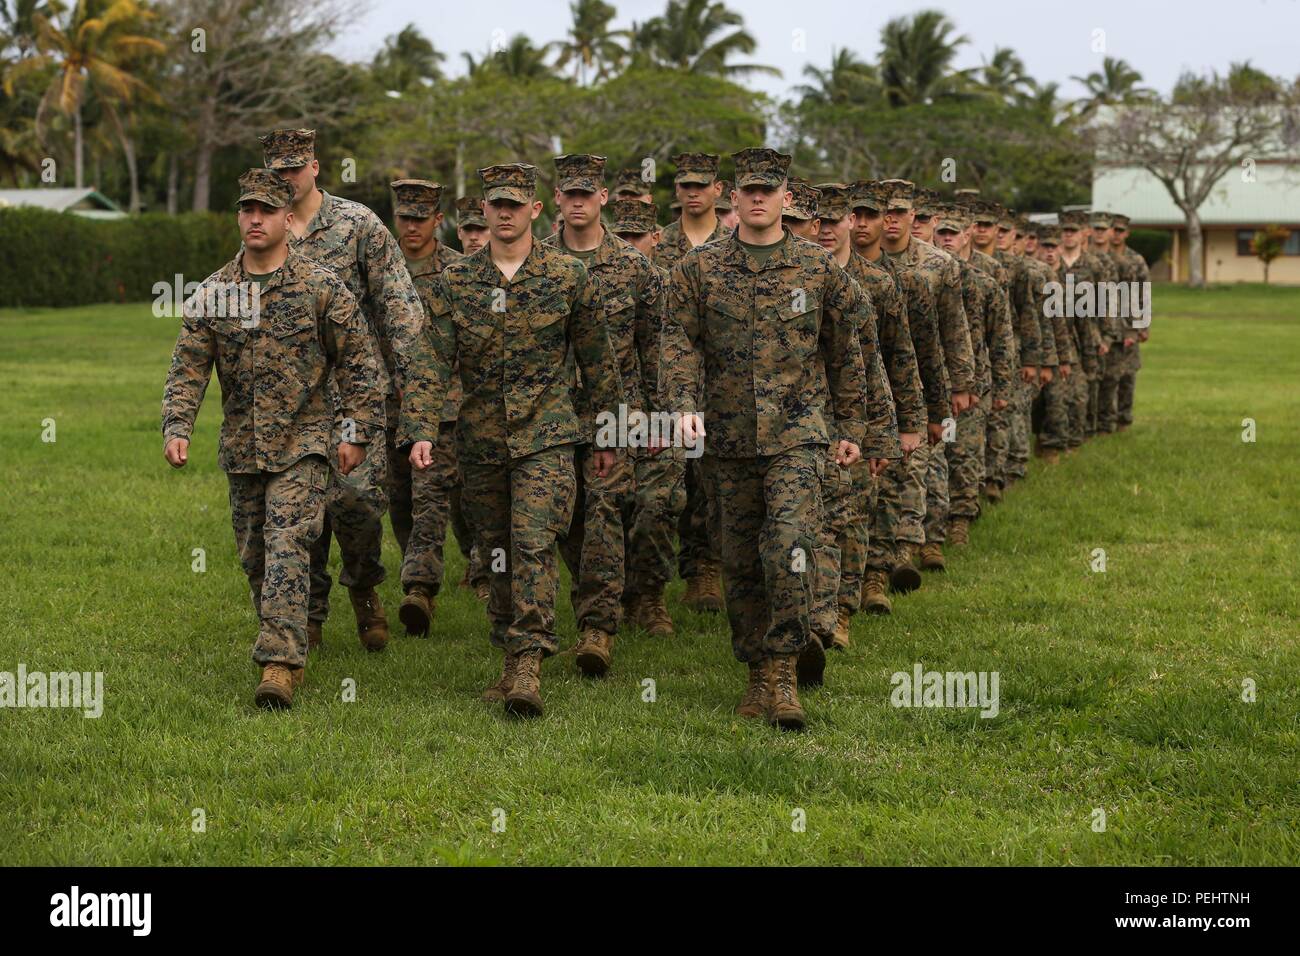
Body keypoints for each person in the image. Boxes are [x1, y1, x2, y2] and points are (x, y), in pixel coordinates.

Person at [660, 147, 899, 730]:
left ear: (787, 199)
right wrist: (683, 407)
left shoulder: (818, 270)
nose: (759, 199)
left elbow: (846, 353)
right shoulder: (699, 269)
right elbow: (677, 343)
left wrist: (852, 427)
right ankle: (757, 671)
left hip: (799, 436)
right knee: (740, 559)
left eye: (769, 191)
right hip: (727, 439)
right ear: (733, 197)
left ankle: (787, 669)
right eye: (749, 191)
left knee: (790, 545)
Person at [403, 162, 623, 718]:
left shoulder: (568, 277)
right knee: (495, 547)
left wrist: (608, 434)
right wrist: (421, 429)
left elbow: (599, 363)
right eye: (495, 205)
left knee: (533, 541)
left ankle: (529, 661)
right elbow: (431, 360)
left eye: (514, 205)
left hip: (547, 436)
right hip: (481, 441)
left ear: (535, 210)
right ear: (484, 210)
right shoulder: (457, 283)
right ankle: (507, 647)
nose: (504, 214)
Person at [161, 169, 384, 708]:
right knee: (256, 556)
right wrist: (177, 426)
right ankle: (292, 629)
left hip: (304, 444)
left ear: (288, 218)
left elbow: (359, 363)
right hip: (242, 447)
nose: (255, 219)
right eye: (247, 209)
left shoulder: (320, 287)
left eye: (266, 210)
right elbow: (188, 368)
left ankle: (279, 664)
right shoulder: (214, 293)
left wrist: (355, 431)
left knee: (288, 542)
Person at [260, 127, 426, 653]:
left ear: (314, 167)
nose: (287, 178)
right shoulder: (265, 227)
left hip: (356, 392)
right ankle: (307, 614)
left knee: (357, 503)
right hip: (292, 401)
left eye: (295, 168)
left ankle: (364, 589)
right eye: (278, 171)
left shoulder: (358, 224)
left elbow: (398, 305)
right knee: (298, 510)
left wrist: (416, 383)